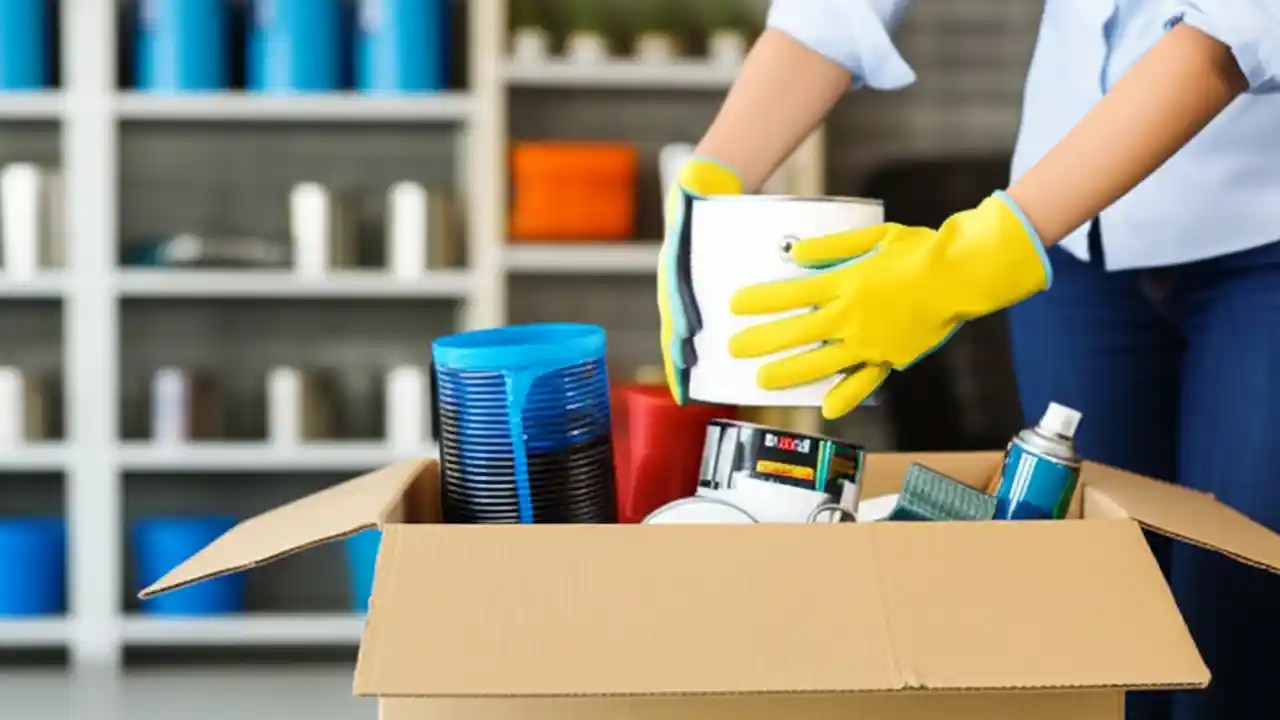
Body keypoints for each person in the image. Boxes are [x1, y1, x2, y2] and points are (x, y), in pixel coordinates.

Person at [658, 2, 1280, 718]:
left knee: (1237, 615)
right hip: (1071, 243)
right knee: (1099, 612)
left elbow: (1230, 37)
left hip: (1258, 235)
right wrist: (712, 175)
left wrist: (977, 257)